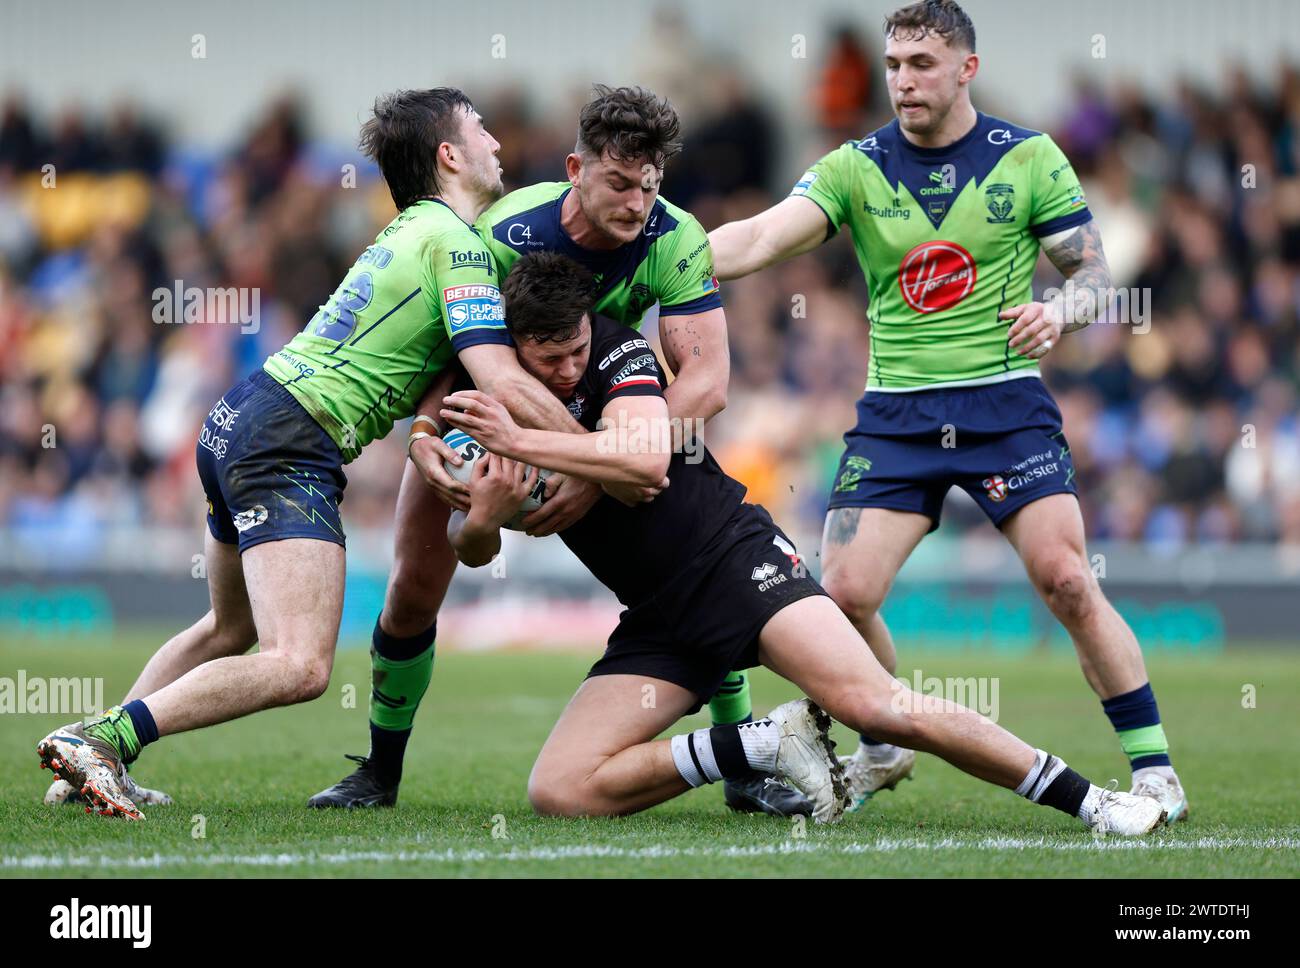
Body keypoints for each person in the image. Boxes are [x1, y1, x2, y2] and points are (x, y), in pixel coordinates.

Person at [437, 249, 1168, 837]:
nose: (566, 368)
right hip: (658, 615)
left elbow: (643, 466)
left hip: (733, 561)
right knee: (558, 789)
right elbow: (466, 546)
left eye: (573, 349)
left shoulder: (620, 354)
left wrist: (523, 439)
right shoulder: (487, 402)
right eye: (546, 357)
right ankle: (759, 745)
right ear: (511, 346)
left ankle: (1094, 802)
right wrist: (481, 517)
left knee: (880, 708)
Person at [37, 88, 584, 818]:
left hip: (243, 416)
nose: (496, 142)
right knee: (299, 664)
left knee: (229, 630)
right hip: (287, 440)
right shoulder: (454, 243)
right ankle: (103, 740)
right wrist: (596, 453)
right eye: (481, 130)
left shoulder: (414, 231)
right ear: (448, 154)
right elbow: (497, 376)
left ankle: (89, 753)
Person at [706, 0, 1188, 821]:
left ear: (966, 67)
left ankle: (1155, 772)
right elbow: (755, 241)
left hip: (1005, 406)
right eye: (893, 65)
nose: (902, 81)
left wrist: (1061, 312)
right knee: (845, 594)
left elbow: (1098, 278)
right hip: (897, 416)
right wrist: (645, 256)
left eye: (921, 64)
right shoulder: (856, 167)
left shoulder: (1030, 158)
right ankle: (886, 745)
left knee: (1069, 578)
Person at [312, 85, 809, 817]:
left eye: (649, 184)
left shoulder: (676, 237)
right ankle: (379, 771)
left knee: (688, 572)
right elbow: (456, 342)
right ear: (577, 168)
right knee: (416, 580)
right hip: (502, 411)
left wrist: (603, 457)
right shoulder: (508, 228)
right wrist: (423, 431)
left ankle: (741, 760)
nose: (636, 202)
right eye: (618, 182)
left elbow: (706, 382)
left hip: (623, 409)